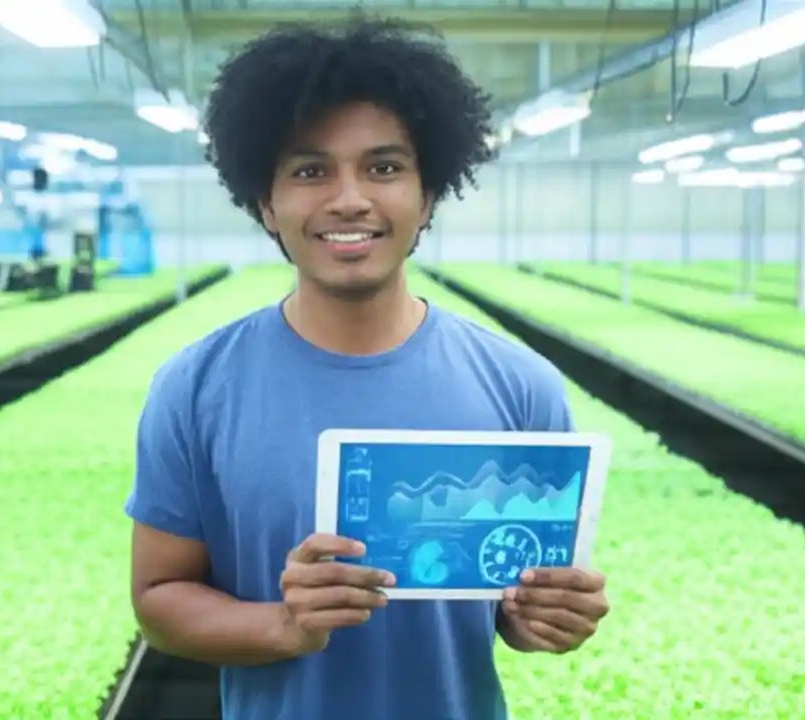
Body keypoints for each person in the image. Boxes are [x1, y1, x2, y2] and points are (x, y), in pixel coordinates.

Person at [124, 14, 609, 720]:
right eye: (310, 170)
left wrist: (545, 619)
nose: (349, 198)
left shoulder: (518, 385)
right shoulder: (195, 388)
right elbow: (159, 600)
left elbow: (514, 605)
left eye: (383, 167)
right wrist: (282, 626)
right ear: (266, 203)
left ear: (429, 194)